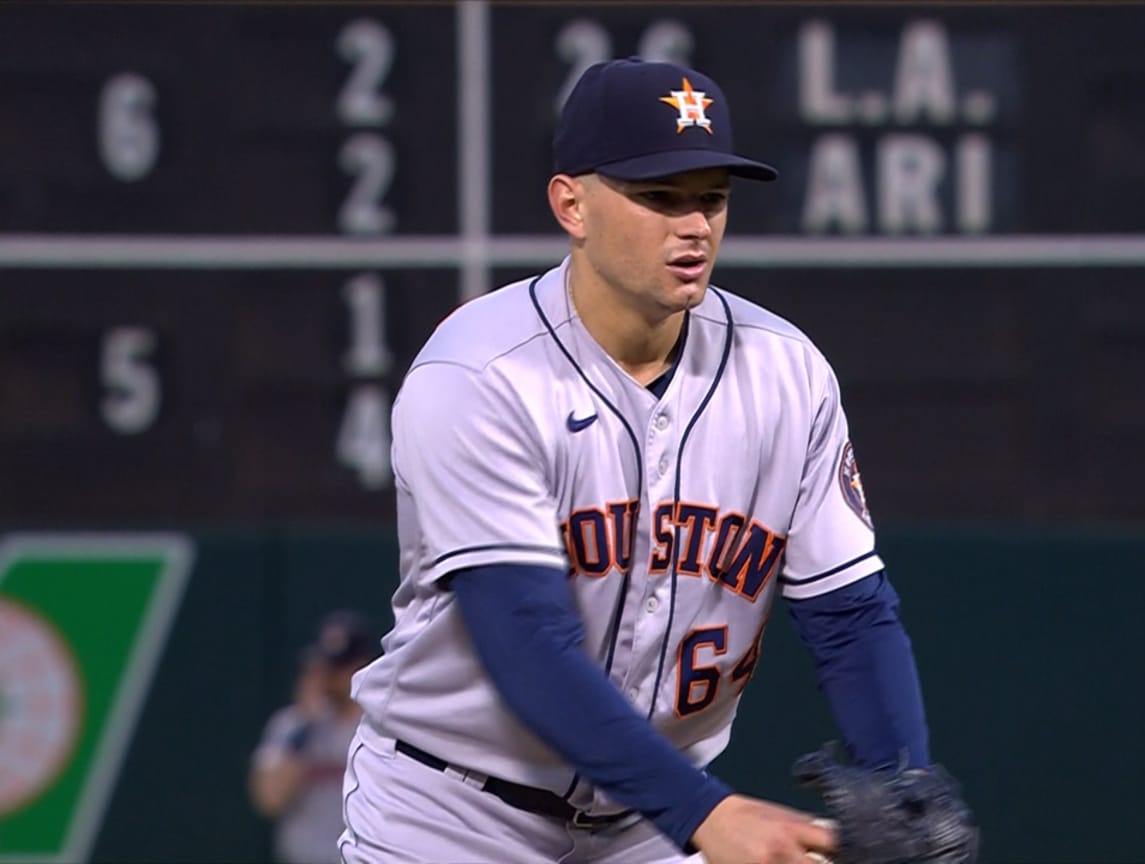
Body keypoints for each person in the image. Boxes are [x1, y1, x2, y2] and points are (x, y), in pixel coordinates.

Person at [339, 57, 950, 864]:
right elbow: (525, 638)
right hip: (454, 814)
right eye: (660, 198)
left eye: (712, 199)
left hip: (647, 827)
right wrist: (708, 815)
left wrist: (903, 783)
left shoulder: (785, 373)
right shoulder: (480, 373)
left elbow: (850, 614)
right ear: (572, 204)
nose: (693, 225)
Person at [249, 610, 376, 864]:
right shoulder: (290, 726)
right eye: (324, 666)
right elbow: (270, 798)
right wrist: (305, 724)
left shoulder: (380, 727)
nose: (327, 676)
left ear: (362, 666)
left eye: (338, 668)